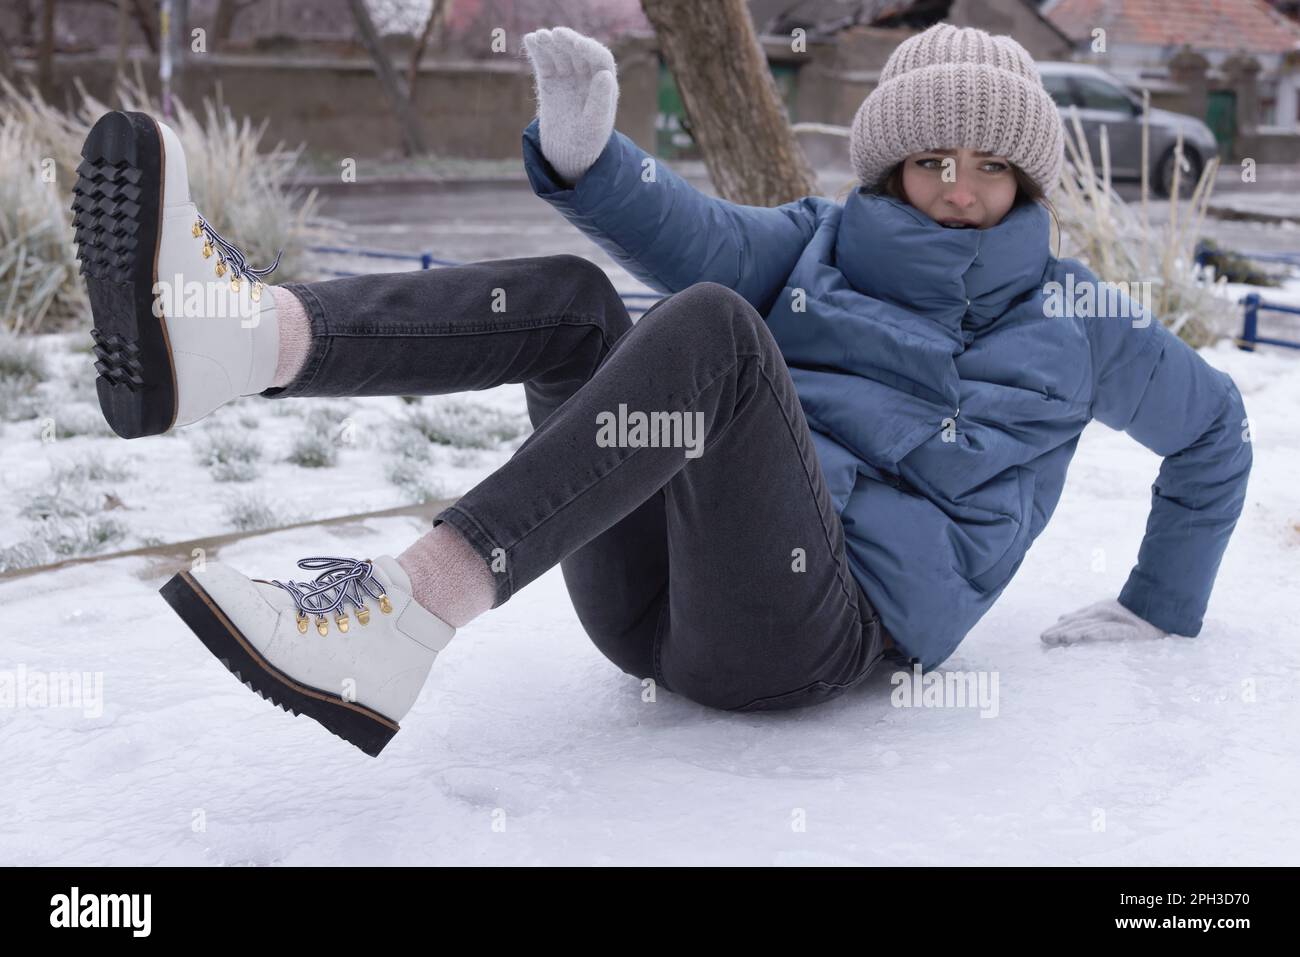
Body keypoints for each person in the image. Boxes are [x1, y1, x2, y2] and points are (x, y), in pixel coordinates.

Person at [71, 23, 1250, 757]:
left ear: (1029, 181)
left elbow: (1214, 433)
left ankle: (407, 608)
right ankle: (250, 339)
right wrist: (590, 154)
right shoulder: (821, 243)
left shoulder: (1081, 319)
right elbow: (687, 230)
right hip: (650, 607)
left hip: (812, 637)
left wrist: (1162, 598)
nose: (956, 187)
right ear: (890, 163)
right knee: (581, 302)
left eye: (988, 167)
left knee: (713, 337)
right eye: (931, 160)